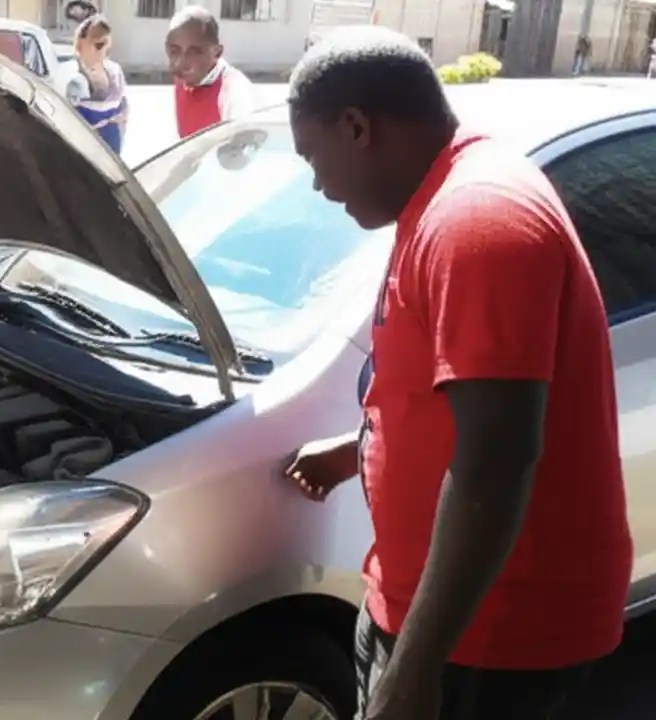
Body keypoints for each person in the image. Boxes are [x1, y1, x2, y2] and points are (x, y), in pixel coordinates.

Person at [283, 26, 631, 720]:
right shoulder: (440, 198)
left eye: (312, 157)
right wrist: (360, 451)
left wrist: (412, 670)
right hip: (423, 613)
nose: (317, 184)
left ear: (356, 127)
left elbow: (496, 462)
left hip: (490, 641)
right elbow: (450, 399)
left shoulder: (476, 220)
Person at [166, 5, 254, 139]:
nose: (181, 62)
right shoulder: (184, 77)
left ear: (217, 52)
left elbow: (241, 150)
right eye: (174, 51)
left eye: (194, 52)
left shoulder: (234, 91)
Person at [65, 14, 128, 154]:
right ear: (81, 45)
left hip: (113, 149)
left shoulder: (115, 72)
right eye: (98, 45)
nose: (103, 50)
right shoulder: (74, 77)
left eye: (106, 44)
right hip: (84, 151)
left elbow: (124, 107)